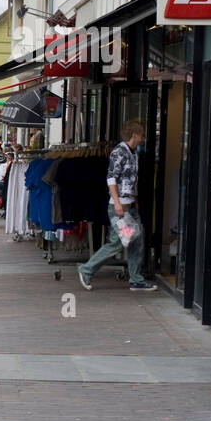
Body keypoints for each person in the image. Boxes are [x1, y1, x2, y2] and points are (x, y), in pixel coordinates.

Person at [78, 120, 156, 293]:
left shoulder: (134, 153)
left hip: (130, 206)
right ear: (134, 135)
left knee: (136, 240)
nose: (142, 139)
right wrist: (118, 203)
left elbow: (130, 179)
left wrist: (134, 199)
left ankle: (136, 279)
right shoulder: (119, 152)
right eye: (141, 135)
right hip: (120, 207)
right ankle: (86, 269)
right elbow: (111, 178)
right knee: (118, 242)